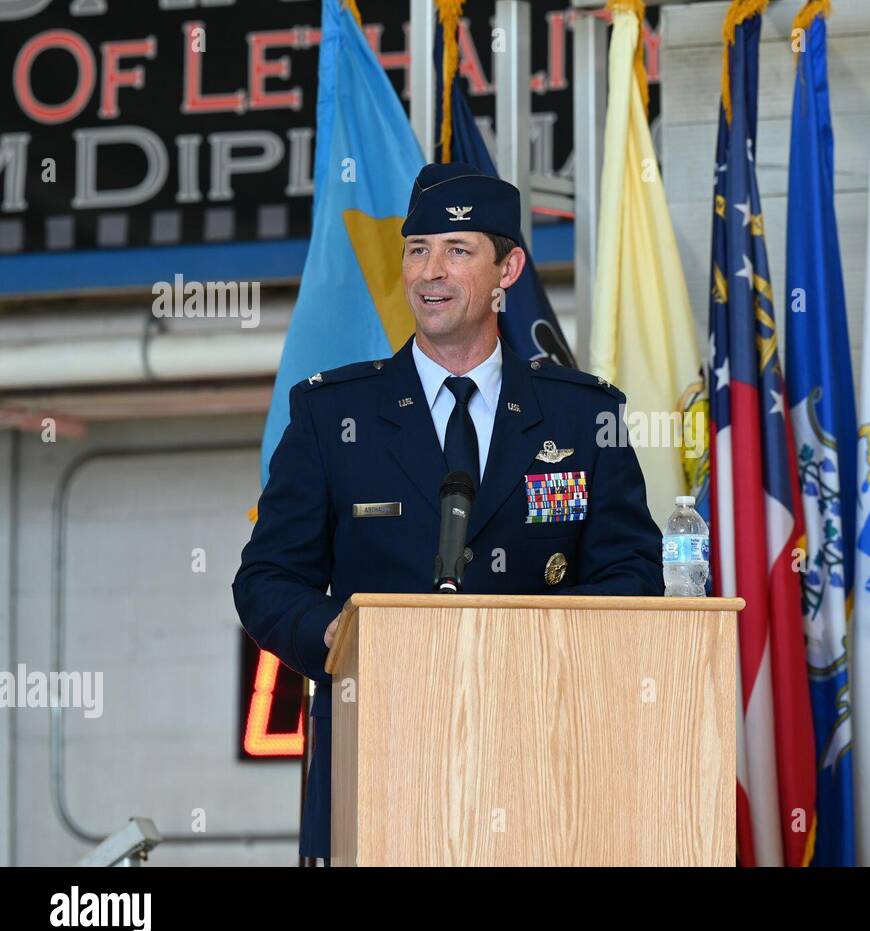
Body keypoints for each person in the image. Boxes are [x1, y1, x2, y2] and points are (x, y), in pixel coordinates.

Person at [232, 161, 663, 861]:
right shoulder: (333, 414)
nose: (430, 271)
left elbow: (634, 573)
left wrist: (533, 642)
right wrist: (338, 632)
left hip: (544, 763)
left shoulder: (582, 417)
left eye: (457, 251)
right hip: (379, 760)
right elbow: (266, 581)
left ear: (509, 269)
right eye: (416, 249)